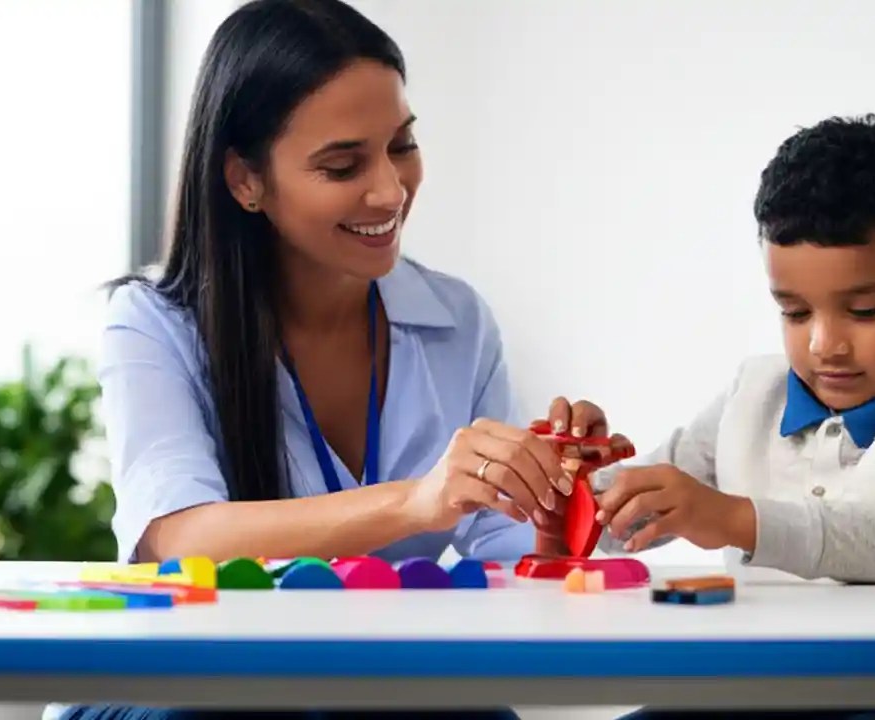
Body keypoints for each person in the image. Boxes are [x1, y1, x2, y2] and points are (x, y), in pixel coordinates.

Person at [53, 1, 585, 717]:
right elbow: (180, 538)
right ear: (245, 180)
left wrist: (556, 502)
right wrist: (415, 500)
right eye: (343, 164)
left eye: (401, 145)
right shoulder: (154, 322)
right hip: (182, 688)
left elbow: (505, 552)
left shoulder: (457, 320)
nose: (390, 190)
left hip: (360, 685)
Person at [548, 115, 875, 720]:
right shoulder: (756, 391)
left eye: (865, 311)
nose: (825, 345)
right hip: (752, 690)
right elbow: (636, 516)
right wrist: (575, 482)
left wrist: (736, 519)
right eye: (795, 312)